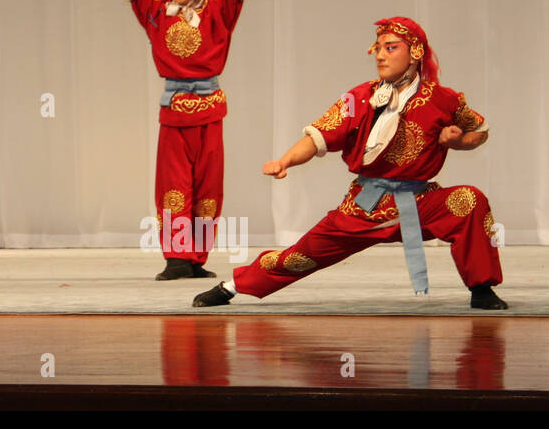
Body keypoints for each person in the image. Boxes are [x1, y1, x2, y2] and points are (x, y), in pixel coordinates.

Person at [193, 17, 506, 310]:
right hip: (366, 206)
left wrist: (456, 142)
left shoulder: (443, 99)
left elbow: (479, 132)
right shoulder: (360, 98)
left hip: (421, 201)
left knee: (470, 201)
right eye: (378, 49)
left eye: (390, 48)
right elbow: (319, 136)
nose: (380, 56)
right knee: (300, 256)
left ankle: (482, 289)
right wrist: (285, 160)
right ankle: (232, 286)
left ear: (415, 53)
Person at [96, 0, 251, 279]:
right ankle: (177, 258)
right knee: (173, 189)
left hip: (210, 111)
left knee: (208, 190)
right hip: (175, 114)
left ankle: (197, 259)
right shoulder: (158, 11)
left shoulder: (218, 10)